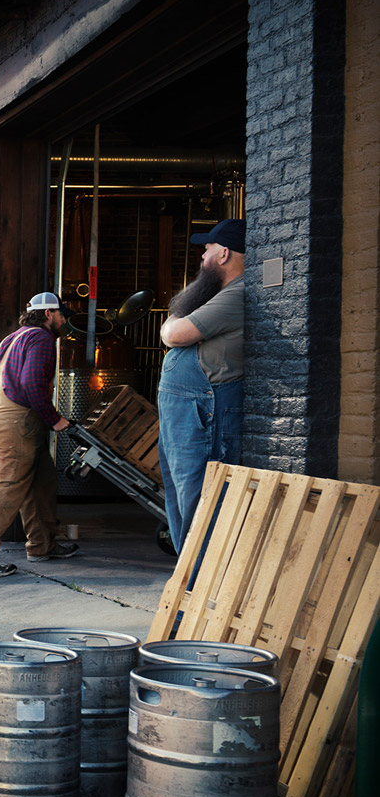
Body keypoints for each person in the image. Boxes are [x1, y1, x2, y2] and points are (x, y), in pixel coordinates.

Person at [0, 292, 81, 577]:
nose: (64, 320)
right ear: (48, 314)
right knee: (7, 486)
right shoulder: (41, 338)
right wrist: (55, 419)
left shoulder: (11, 339)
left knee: (42, 481)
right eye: (61, 314)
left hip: (4, 416)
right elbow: (31, 382)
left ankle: (42, 545)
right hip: (19, 422)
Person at [157, 218, 246, 553]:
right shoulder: (220, 293)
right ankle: (187, 574)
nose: (202, 256)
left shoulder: (237, 293)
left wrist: (173, 320)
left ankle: (197, 577)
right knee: (181, 495)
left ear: (224, 254)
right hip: (186, 413)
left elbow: (175, 333)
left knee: (199, 498)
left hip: (202, 413)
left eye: (207, 249)